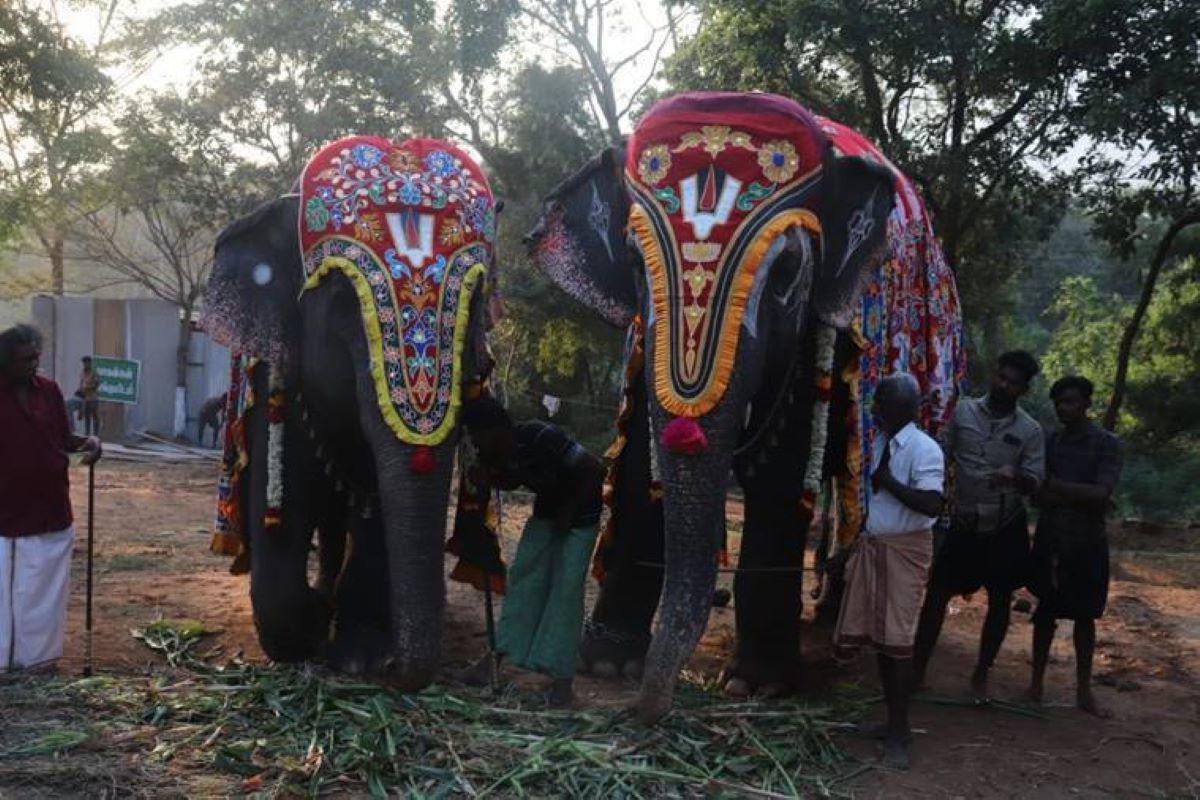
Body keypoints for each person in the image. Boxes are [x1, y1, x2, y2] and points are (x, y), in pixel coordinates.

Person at [913, 350, 1045, 699]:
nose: (1004, 385)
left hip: (1005, 526)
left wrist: (1016, 476)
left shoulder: (1030, 431)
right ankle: (916, 670)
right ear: (994, 374)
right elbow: (941, 453)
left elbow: (1036, 481)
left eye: (1013, 382)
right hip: (964, 521)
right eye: (1001, 377)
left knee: (1000, 599)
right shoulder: (963, 411)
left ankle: (982, 672)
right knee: (937, 593)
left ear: (1023, 389)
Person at [458, 396, 606, 707]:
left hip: (579, 521)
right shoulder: (502, 455)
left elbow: (594, 470)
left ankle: (562, 681)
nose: (476, 444)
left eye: (478, 436)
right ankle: (494, 661)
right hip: (547, 517)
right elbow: (514, 481)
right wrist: (488, 479)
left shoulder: (540, 436)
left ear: (495, 429)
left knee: (565, 593)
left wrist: (570, 510)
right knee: (524, 584)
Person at [834, 374, 945, 770]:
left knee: (898, 643)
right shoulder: (882, 442)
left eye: (880, 402)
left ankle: (900, 732)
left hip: (904, 553)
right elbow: (879, 504)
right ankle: (890, 722)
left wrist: (889, 482)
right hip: (876, 547)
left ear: (902, 406)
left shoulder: (924, 448)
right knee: (882, 640)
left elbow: (932, 504)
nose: (874, 408)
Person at [0, 324, 102, 672]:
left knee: (42, 587)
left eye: (36, 357)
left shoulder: (49, 391)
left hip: (48, 505)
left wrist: (90, 443)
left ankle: (37, 661)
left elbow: (63, 438)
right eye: (24, 359)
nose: (33, 365)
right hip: (4, 509)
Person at [1027, 376, 1121, 716]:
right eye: (1059, 403)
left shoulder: (1106, 443)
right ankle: (1035, 685)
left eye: (1070, 401)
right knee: (1044, 614)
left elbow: (1101, 492)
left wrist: (1056, 487)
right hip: (1052, 540)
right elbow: (1038, 493)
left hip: (1087, 542)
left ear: (1086, 403)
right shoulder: (1051, 442)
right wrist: (1075, 493)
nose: (1063, 408)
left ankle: (1083, 690)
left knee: (1085, 616)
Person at [78, 355, 100, 436]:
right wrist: (81, 390)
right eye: (84, 363)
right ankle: (87, 434)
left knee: (95, 416)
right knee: (87, 417)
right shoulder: (82, 373)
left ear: (90, 363)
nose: (85, 364)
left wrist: (87, 387)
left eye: (87, 363)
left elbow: (96, 384)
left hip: (93, 398)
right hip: (85, 398)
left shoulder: (94, 373)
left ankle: (96, 435)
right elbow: (81, 384)